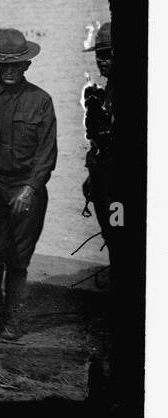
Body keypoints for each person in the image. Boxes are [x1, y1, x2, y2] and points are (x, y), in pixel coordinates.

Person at [0, 29, 57, 342]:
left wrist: (30, 188)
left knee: (19, 256)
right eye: (3, 64)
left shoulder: (41, 101)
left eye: (15, 64)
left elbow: (46, 155)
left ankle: (13, 314)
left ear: (27, 65)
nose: (9, 70)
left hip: (26, 188)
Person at [82, 21, 117, 284]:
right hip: (104, 180)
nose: (101, 61)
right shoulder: (108, 90)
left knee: (119, 234)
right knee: (113, 233)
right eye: (98, 55)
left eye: (107, 54)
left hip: (118, 186)